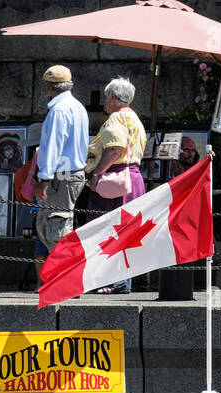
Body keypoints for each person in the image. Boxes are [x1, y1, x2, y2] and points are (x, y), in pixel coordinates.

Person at [83, 77, 148, 294]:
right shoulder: (135, 119)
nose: (105, 102)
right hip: (133, 178)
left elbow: (115, 149)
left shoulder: (115, 119)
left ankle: (107, 282)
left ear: (112, 98)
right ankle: (122, 281)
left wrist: (97, 174)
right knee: (127, 231)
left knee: (105, 228)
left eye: (106, 97)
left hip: (115, 179)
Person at [33, 65, 90, 280]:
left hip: (62, 175)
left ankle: (70, 277)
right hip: (75, 172)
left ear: (48, 86)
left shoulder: (58, 110)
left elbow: (53, 146)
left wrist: (44, 178)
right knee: (61, 223)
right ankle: (63, 276)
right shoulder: (77, 106)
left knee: (57, 227)